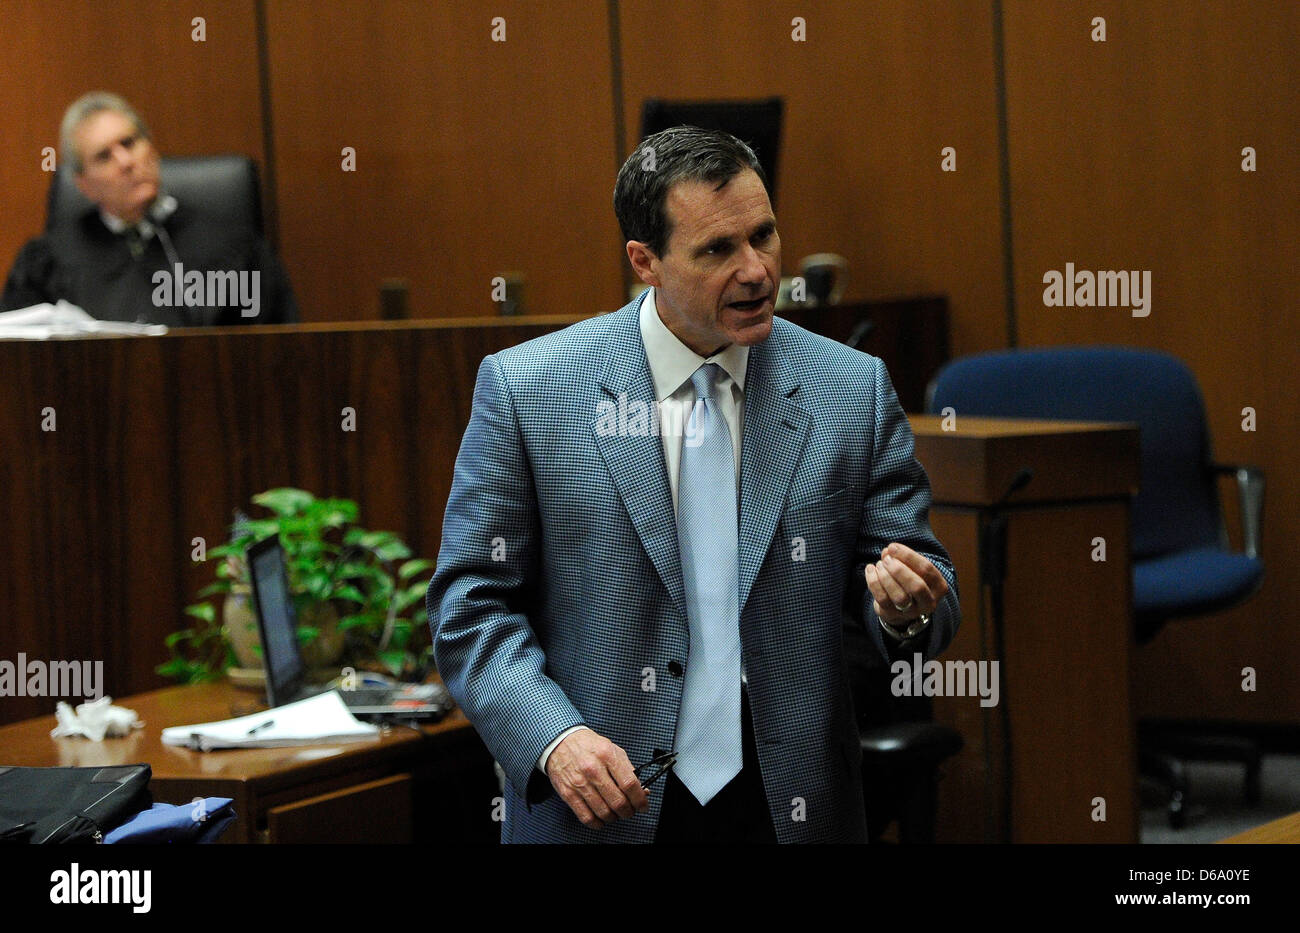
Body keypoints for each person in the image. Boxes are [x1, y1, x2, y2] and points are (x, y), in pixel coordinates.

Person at [428, 126, 959, 843]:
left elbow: (925, 592)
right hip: (603, 801)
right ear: (644, 261)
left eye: (764, 236)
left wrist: (907, 610)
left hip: (789, 802)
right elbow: (471, 609)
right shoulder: (531, 391)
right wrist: (555, 739)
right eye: (717, 249)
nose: (757, 270)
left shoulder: (848, 389)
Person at [1, 91, 297, 325]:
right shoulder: (46, 262)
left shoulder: (234, 246)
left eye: (130, 143)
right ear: (84, 185)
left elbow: (274, 349)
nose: (126, 162)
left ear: (151, 149)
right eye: (104, 156)